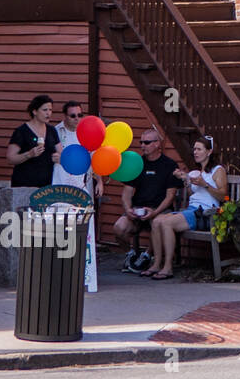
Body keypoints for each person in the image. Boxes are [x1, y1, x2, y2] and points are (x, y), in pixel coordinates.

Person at [146, 135, 226, 280]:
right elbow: (193, 195)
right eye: (194, 149)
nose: (195, 152)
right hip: (192, 210)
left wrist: (205, 185)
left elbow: (222, 195)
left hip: (206, 214)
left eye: (199, 149)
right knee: (157, 221)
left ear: (209, 152)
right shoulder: (197, 171)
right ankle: (157, 263)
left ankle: (168, 267)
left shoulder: (217, 170)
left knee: (166, 222)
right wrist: (186, 181)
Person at [114, 129, 179, 273]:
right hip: (138, 209)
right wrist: (128, 209)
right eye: (141, 142)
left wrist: (155, 212)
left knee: (158, 222)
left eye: (147, 142)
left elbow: (170, 196)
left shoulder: (169, 165)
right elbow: (126, 193)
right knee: (119, 227)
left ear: (157, 144)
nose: (143, 146)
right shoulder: (137, 163)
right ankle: (131, 253)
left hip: (160, 209)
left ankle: (147, 255)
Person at [52, 100, 105, 206]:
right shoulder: (55, 132)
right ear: (65, 116)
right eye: (72, 115)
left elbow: (94, 157)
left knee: (84, 217)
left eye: (80, 115)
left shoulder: (87, 132)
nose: (77, 118)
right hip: (59, 182)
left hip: (82, 182)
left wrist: (99, 181)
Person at [7, 95, 60, 188]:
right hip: (24, 184)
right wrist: (29, 154)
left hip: (46, 185)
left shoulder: (52, 130)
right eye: (45, 110)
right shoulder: (22, 131)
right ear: (34, 111)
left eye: (50, 110)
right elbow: (10, 158)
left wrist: (59, 158)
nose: (48, 113)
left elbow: (61, 153)